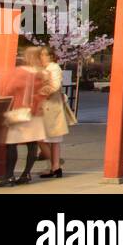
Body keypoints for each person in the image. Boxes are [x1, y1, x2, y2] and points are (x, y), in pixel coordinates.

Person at [0, 47, 46, 187]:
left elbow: (8, 89)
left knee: (11, 144)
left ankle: (9, 176)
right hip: (35, 114)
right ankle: (26, 174)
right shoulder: (42, 73)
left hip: (19, 112)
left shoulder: (20, 72)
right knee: (32, 144)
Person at [37, 46, 71, 178]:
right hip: (50, 105)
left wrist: (40, 92)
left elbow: (55, 86)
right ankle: (55, 166)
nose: (41, 57)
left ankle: (55, 164)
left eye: (44, 55)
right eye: (41, 55)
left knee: (44, 137)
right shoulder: (48, 68)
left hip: (50, 105)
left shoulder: (53, 68)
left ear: (50, 56)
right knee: (52, 138)